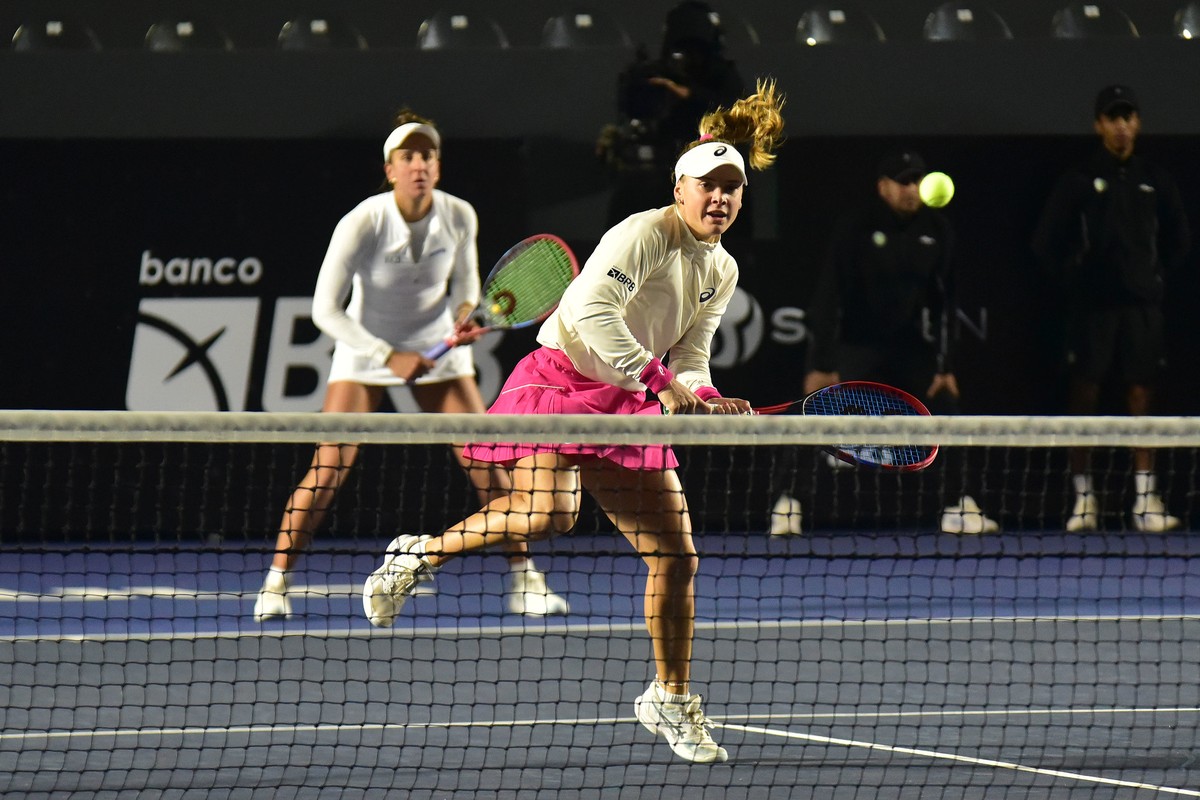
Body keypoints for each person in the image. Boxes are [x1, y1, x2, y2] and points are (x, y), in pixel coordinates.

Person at [361, 81, 785, 764]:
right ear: (680, 189)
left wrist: (703, 393)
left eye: (731, 189)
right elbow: (589, 313)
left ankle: (669, 698)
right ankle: (417, 555)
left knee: (676, 557)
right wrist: (661, 384)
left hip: (626, 399)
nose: (720, 198)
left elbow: (692, 353)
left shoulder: (723, 268)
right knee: (548, 514)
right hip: (562, 379)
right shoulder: (644, 234)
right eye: (707, 186)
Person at [253, 110, 570, 621]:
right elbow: (325, 309)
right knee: (328, 467)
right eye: (408, 156)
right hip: (365, 348)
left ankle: (524, 579)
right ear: (391, 169)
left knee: (487, 464)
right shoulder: (363, 221)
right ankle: (276, 582)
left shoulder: (459, 215)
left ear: (437, 167)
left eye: (427, 156)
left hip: (436, 346)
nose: (418, 164)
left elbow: (466, 287)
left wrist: (465, 315)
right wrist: (387, 355)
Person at [769, 149, 1000, 536]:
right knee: (812, 409)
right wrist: (822, 363)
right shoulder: (855, 227)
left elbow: (945, 303)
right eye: (903, 182)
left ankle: (958, 504)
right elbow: (830, 294)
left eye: (917, 181)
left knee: (945, 406)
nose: (912, 189)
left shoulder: (937, 229)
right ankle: (789, 503)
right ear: (883, 187)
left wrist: (944, 367)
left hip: (909, 346)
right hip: (855, 344)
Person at [1032, 85, 1190, 532]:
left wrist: (1150, 279)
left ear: (1137, 124)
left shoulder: (1155, 180)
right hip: (1092, 312)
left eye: (1128, 117)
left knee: (1141, 397)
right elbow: (1046, 242)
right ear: (1099, 125)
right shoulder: (1080, 179)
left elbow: (1178, 240)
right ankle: (1084, 500)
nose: (1122, 126)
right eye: (1113, 118)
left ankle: (1145, 500)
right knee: (1084, 397)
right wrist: (1080, 281)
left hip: (1142, 309)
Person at [597, 0, 744, 226]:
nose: (687, 59)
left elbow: (731, 110)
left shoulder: (722, 78)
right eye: (682, 51)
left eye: (696, 52)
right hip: (657, 174)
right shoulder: (659, 74)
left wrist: (688, 95)